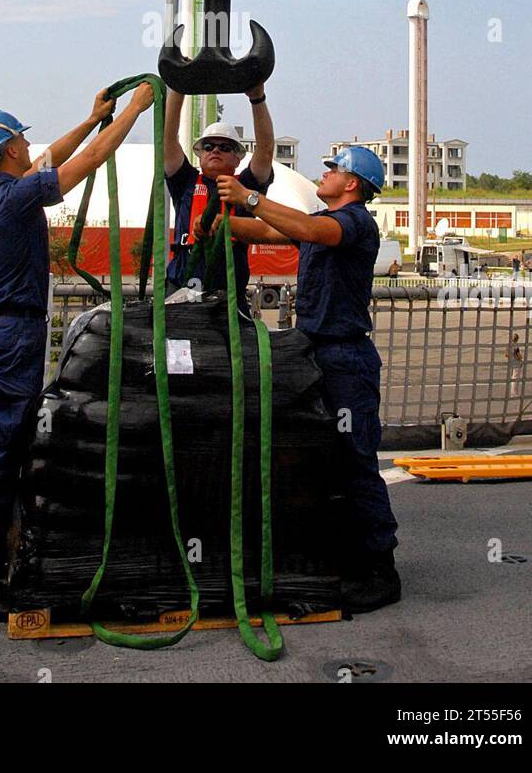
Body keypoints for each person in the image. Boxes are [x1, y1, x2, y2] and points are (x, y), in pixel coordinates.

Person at [0, 83, 154, 623]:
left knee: (5, 450)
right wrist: (134, 111)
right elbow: (88, 161)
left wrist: (91, 118)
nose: (29, 145)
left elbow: (53, 160)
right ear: (8, 148)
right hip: (13, 337)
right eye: (22, 139)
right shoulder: (14, 198)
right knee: (0, 456)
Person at [214, 145, 400, 613]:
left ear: (352, 184)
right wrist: (223, 224)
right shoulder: (321, 223)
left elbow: (309, 230)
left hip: (345, 359)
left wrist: (248, 197)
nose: (326, 172)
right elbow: (274, 230)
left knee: (356, 460)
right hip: (315, 354)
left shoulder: (353, 223)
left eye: (334, 169)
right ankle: (347, 557)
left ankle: (381, 570)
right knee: (326, 459)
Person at [163, 83, 275, 312]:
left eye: (224, 147)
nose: (215, 150)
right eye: (208, 146)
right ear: (200, 155)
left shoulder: (245, 187)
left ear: (237, 158)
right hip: (183, 287)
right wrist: (179, 85)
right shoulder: (185, 181)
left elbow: (265, 150)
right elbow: (168, 139)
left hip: (228, 291)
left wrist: (257, 99)